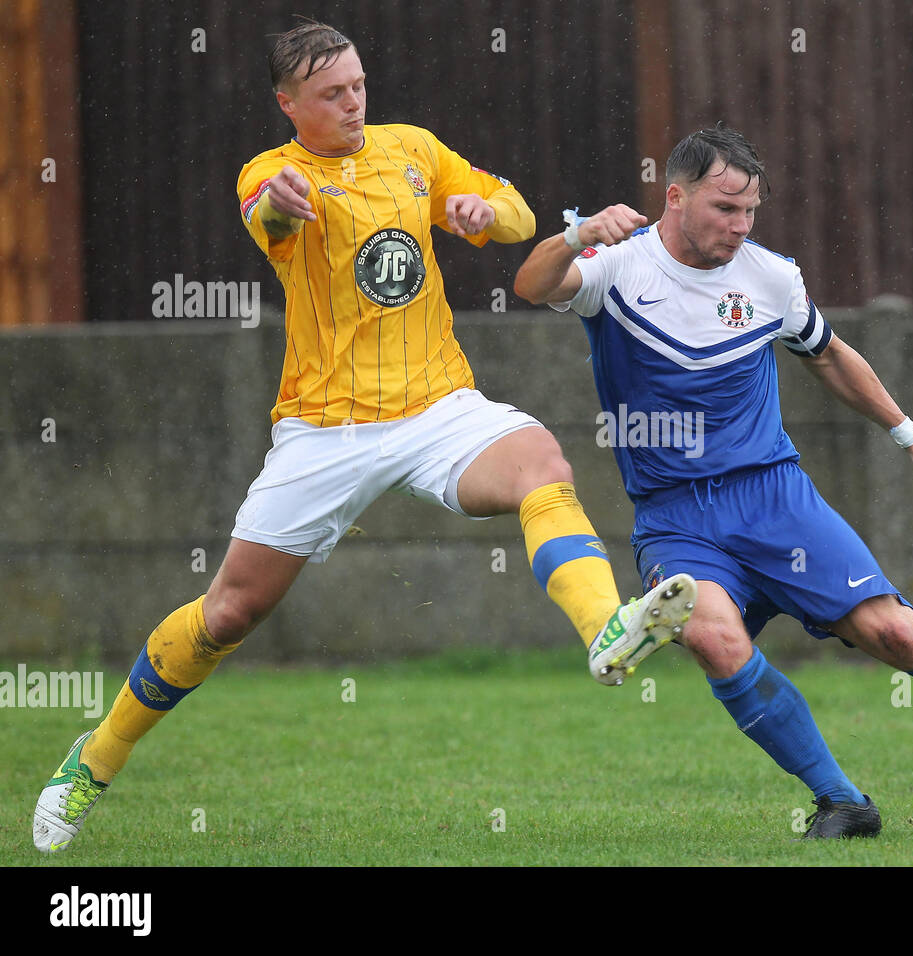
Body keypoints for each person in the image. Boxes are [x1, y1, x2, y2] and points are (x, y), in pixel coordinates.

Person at [32, 20, 694, 855]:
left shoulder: (412, 148)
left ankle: (607, 630)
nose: (352, 103)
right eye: (331, 95)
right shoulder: (273, 173)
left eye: (358, 86)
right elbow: (264, 220)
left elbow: (520, 217)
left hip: (436, 406)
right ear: (288, 104)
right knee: (228, 614)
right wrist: (279, 208)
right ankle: (93, 758)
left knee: (541, 462)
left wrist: (479, 208)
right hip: (324, 431)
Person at [513, 123, 913, 838]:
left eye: (751, 209)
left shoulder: (770, 277)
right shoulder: (617, 268)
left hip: (774, 498)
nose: (740, 225)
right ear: (675, 196)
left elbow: (827, 354)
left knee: (900, 637)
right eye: (725, 208)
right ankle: (842, 801)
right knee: (716, 641)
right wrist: (574, 238)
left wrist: (911, 436)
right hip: (675, 518)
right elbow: (533, 283)